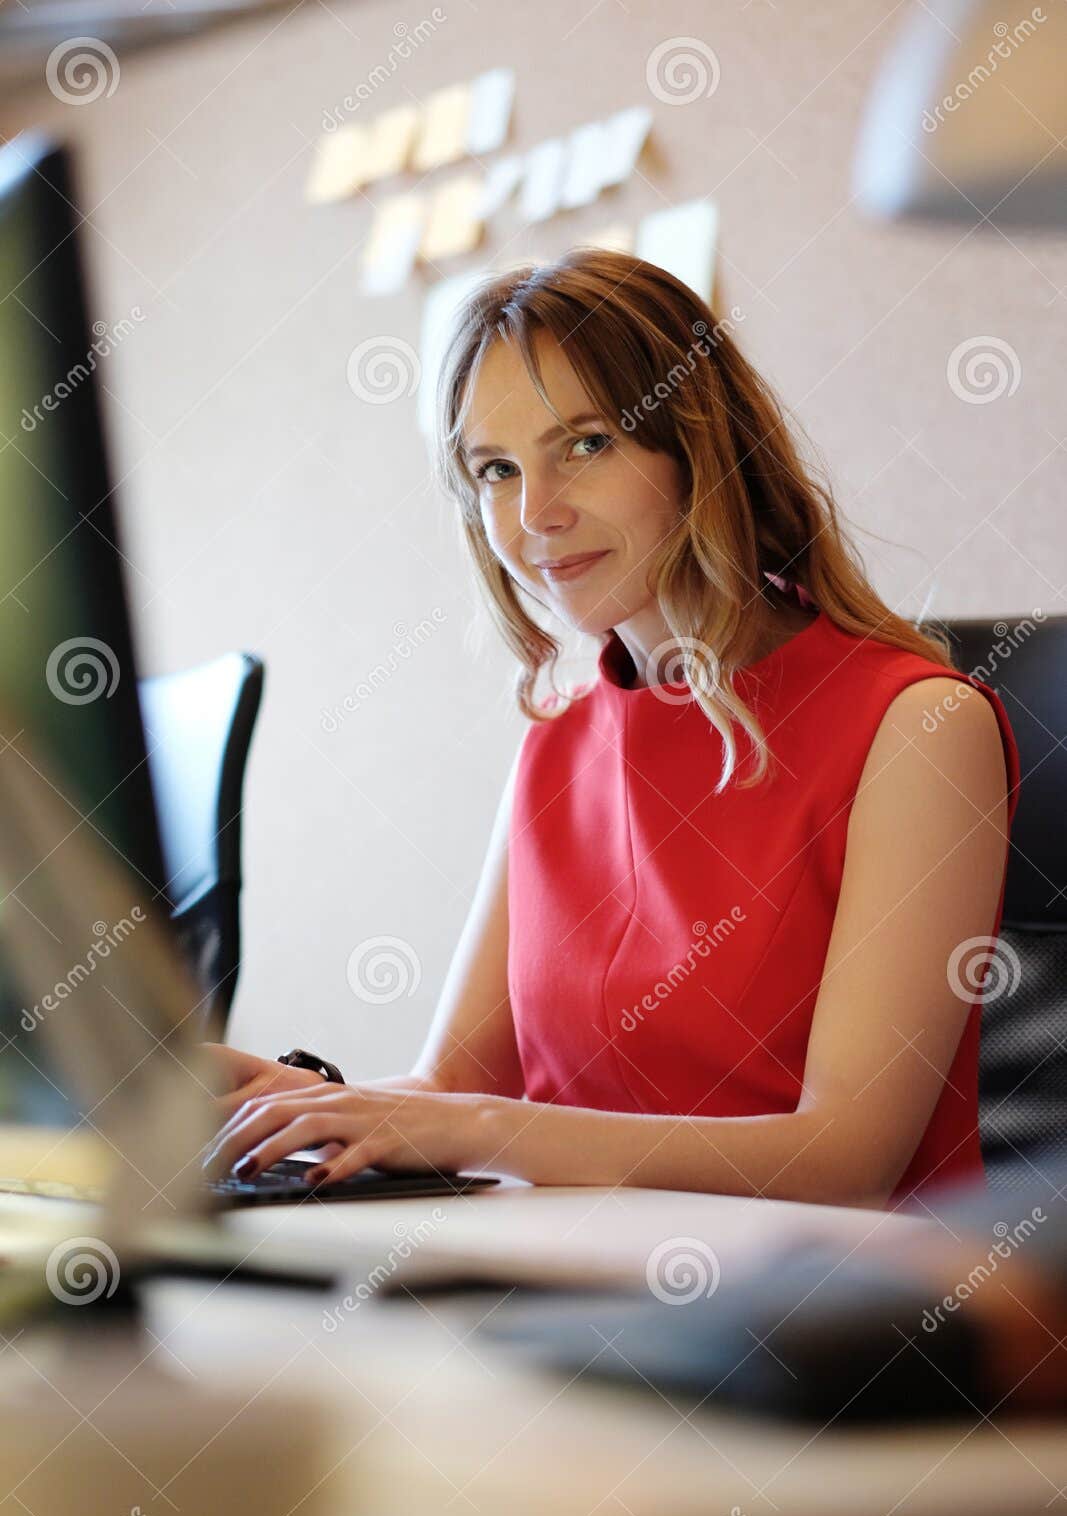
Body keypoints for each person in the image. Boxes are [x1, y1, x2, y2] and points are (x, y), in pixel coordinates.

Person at [204, 248, 1020, 1210]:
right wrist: (303, 1105)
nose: (533, 514)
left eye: (584, 444)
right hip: (578, 1279)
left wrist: (481, 1130)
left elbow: (844, 1159)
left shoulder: (918, 725)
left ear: (700, 446)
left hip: (836, 1322)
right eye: (495, 470)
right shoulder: (557, 742)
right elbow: (455, 1090)